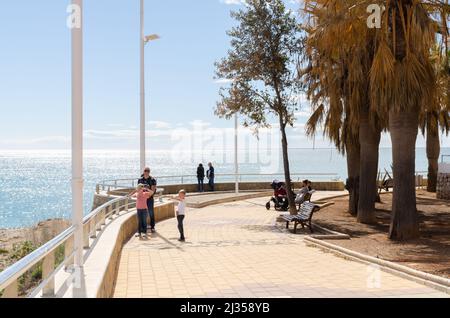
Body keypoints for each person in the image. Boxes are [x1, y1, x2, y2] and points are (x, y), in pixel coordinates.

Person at [138, 167, 157, 233]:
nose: (146, 172)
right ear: (143, 171)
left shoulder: (152, 180)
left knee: (151, 212)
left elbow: (153, 190)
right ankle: (143, 228)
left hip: (149, 199)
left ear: (149, 172)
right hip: (142, 199)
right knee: (143, 214)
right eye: (145, 171)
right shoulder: (140, 180)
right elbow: (138, 189)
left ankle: (152, 227)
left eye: (147, 171)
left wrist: (148, 196)